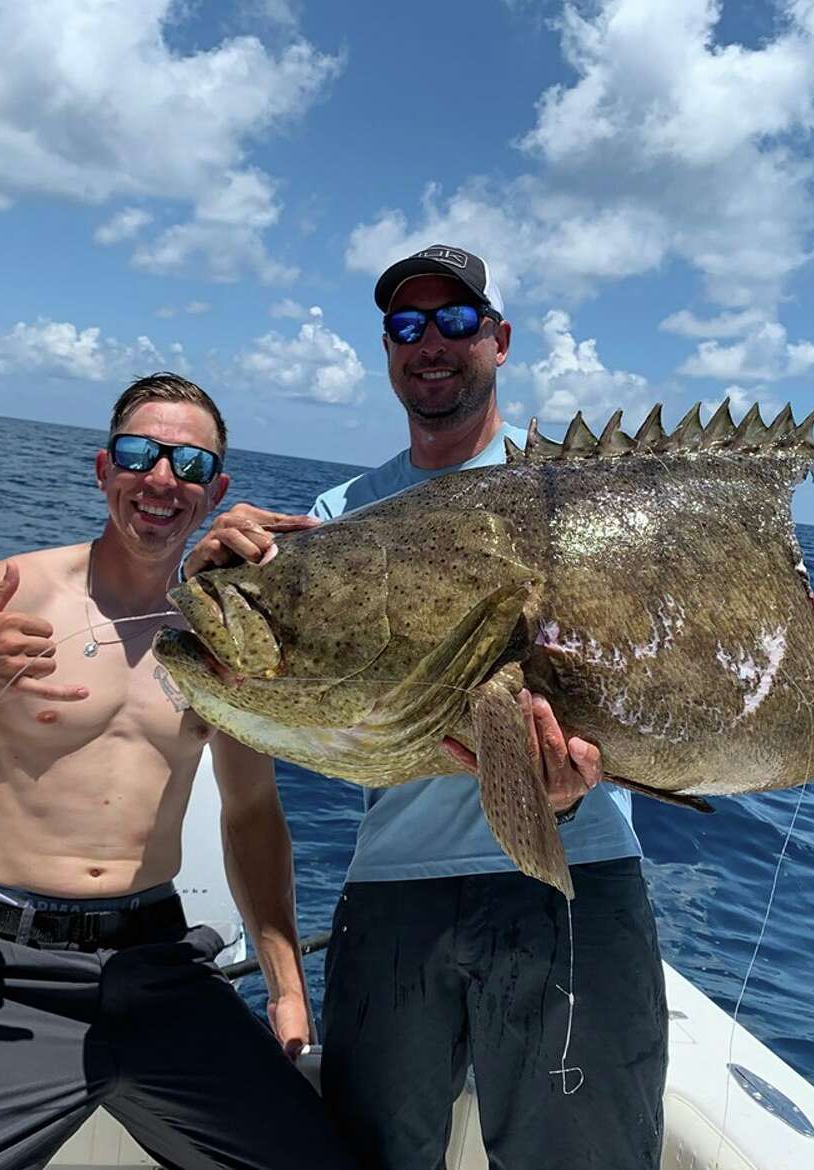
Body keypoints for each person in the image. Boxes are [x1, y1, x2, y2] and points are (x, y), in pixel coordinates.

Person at [188, 247, 669, 1169]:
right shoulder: (337, 516)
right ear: (387, 349)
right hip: (393, 888)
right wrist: (206, 575)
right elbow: (241, 694)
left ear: (500, 339)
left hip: (576, 870)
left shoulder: (585, 498)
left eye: (454, 320)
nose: (430, 342)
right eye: (407, 326)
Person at [0, 373, 356, 1170]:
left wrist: (284, 988)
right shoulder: (0, 596)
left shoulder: (221, 633)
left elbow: (250, 809)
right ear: (105, 470)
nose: (163, 478)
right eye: (140, 454)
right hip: (6, 970)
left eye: (191, 464)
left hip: (162, 966)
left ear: (215, 493)